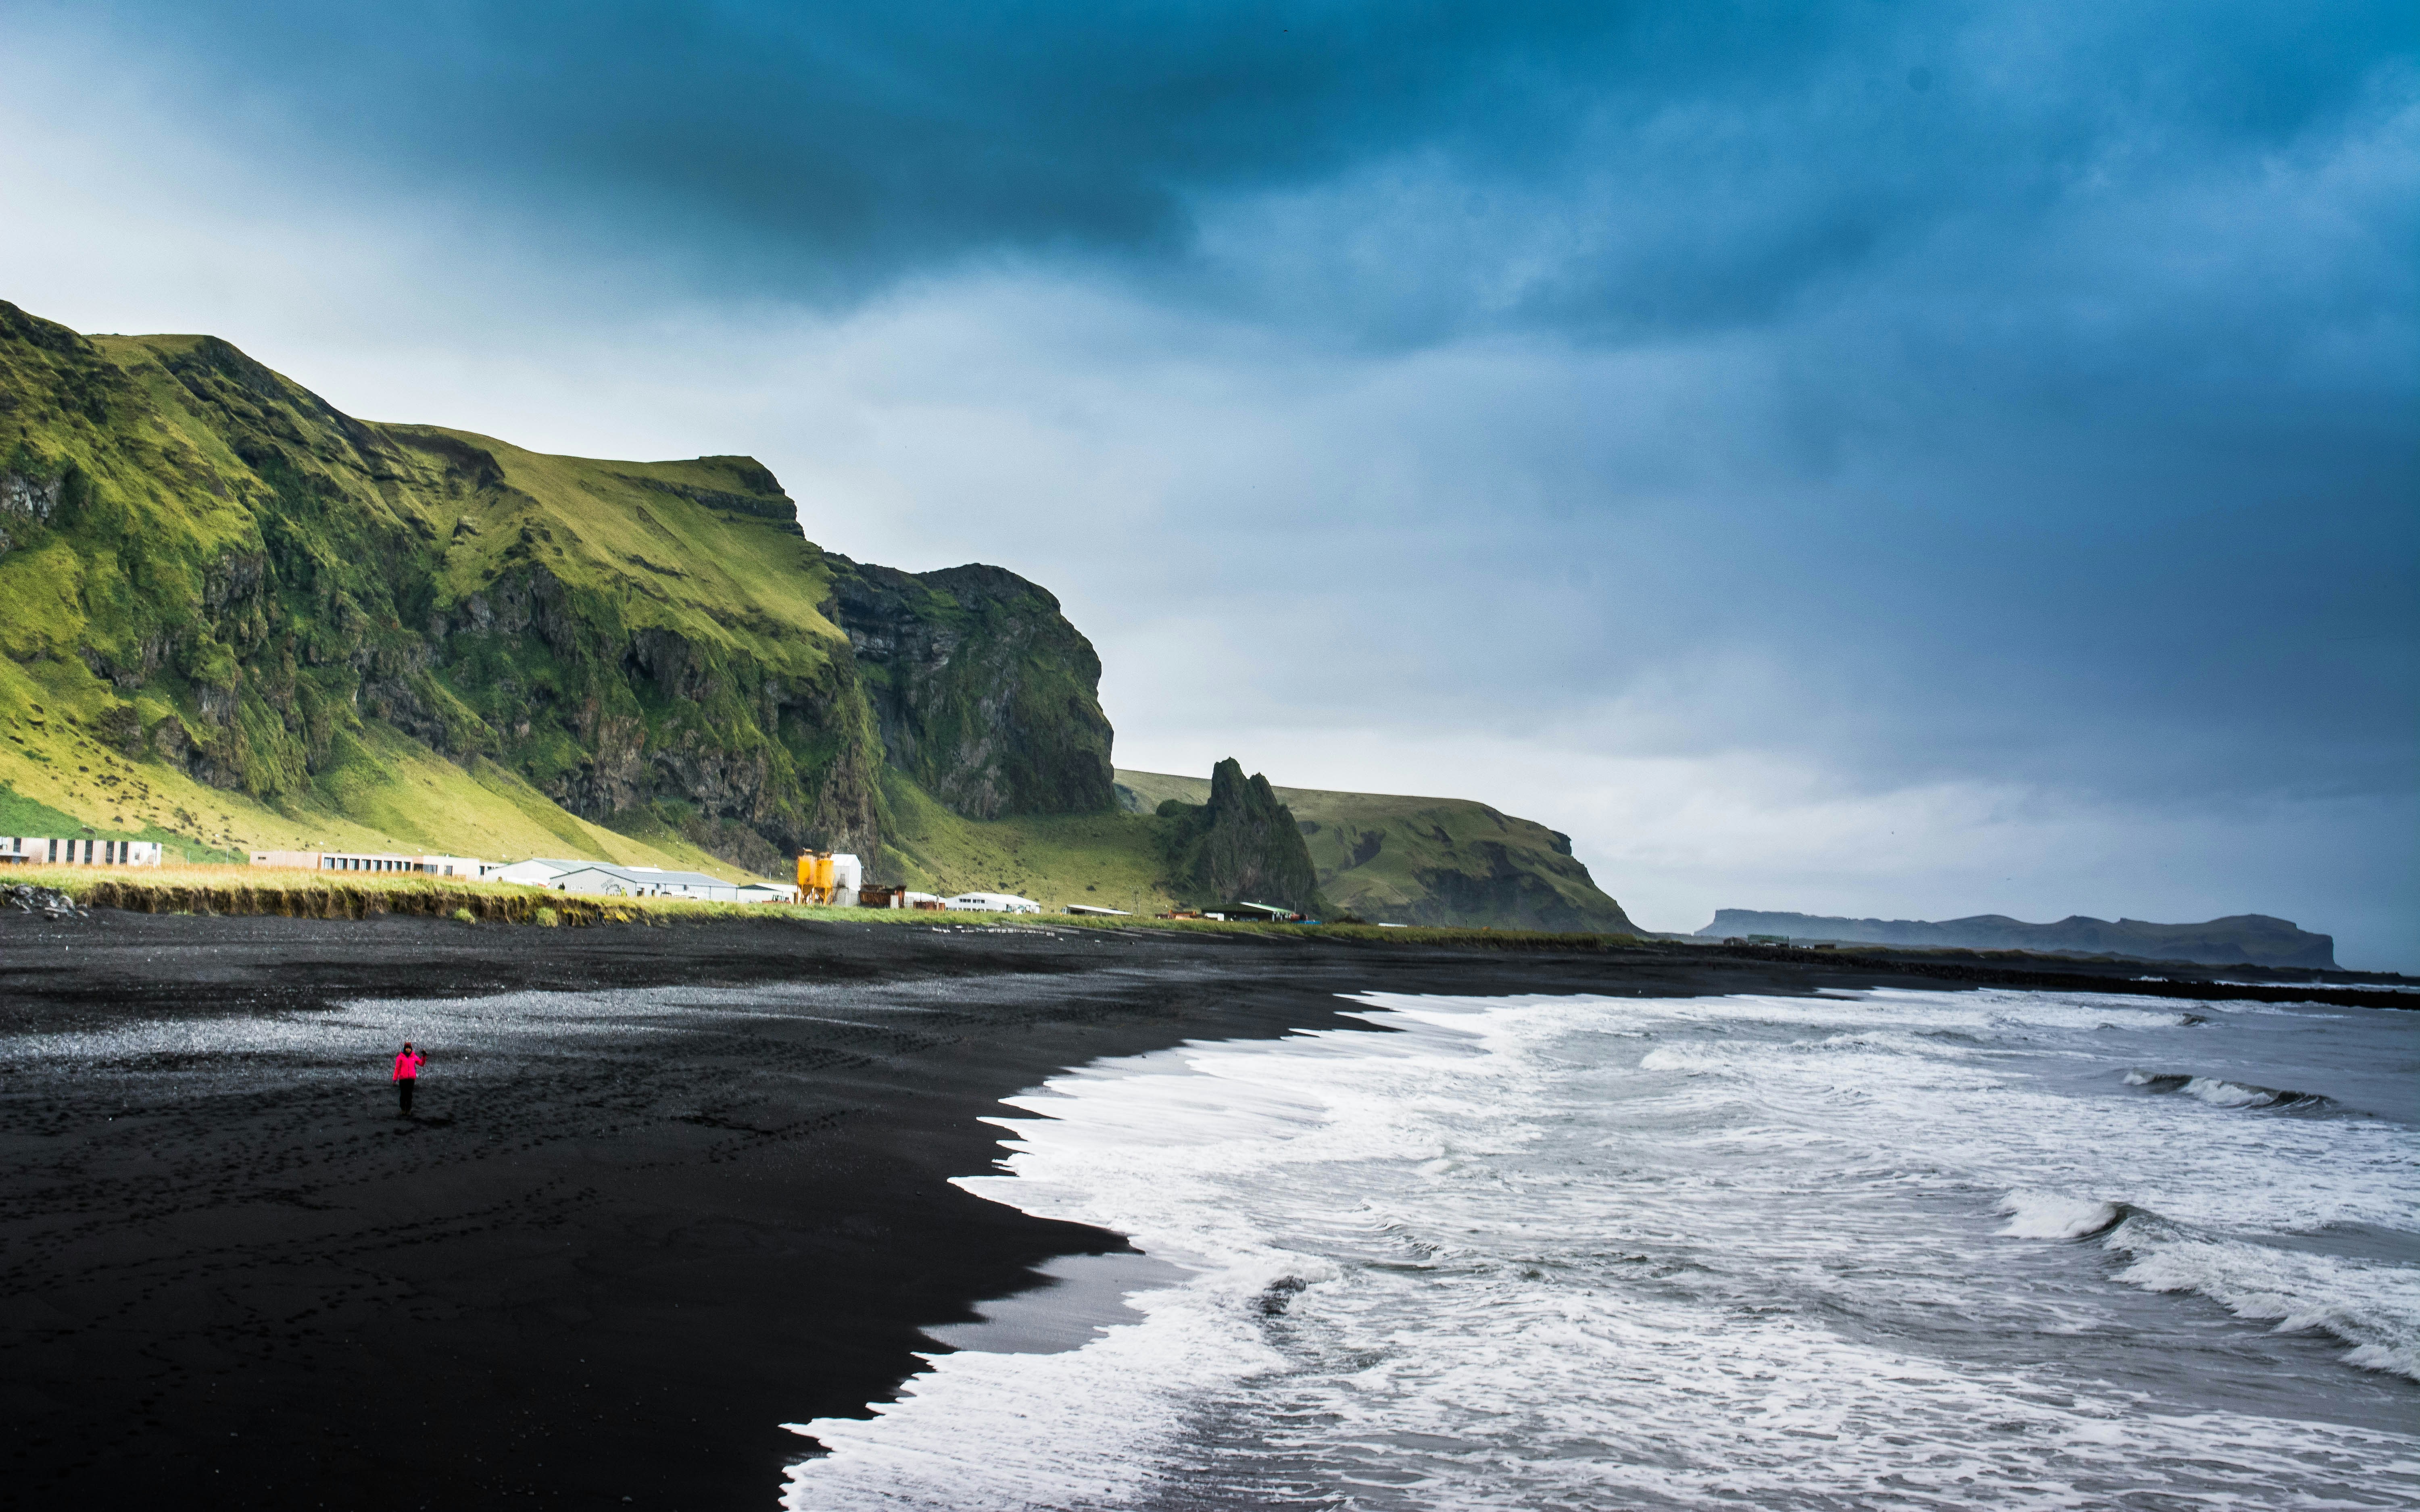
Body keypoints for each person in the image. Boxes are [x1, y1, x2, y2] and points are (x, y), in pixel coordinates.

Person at [392, 1041, 426, 1117]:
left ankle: (408, 1110)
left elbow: (421, 1064)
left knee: (409, 1095)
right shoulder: (400, 1057)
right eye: (407, 1048)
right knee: (403, 1095)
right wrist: (395, 1079)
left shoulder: (414, 1057)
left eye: (409, 1048)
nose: (408, 1050)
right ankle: (403, 1109)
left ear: (411, 1049)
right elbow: (397, 1069)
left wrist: (424, 1056)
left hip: (411, 1079)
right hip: (403, 1079)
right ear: (405, 1049)